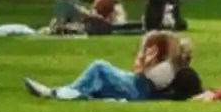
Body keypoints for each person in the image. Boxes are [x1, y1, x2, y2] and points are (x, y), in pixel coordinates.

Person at [23, 31, 182, 101]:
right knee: (99, 81)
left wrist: (147, 63)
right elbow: (138, 72)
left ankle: (56, 93)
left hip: (136, 90)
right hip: (134, 84)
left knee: (99, 67)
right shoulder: (161, 65)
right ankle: (62, 92)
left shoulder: (165, 69)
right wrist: (145, 61)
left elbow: (147, 84)